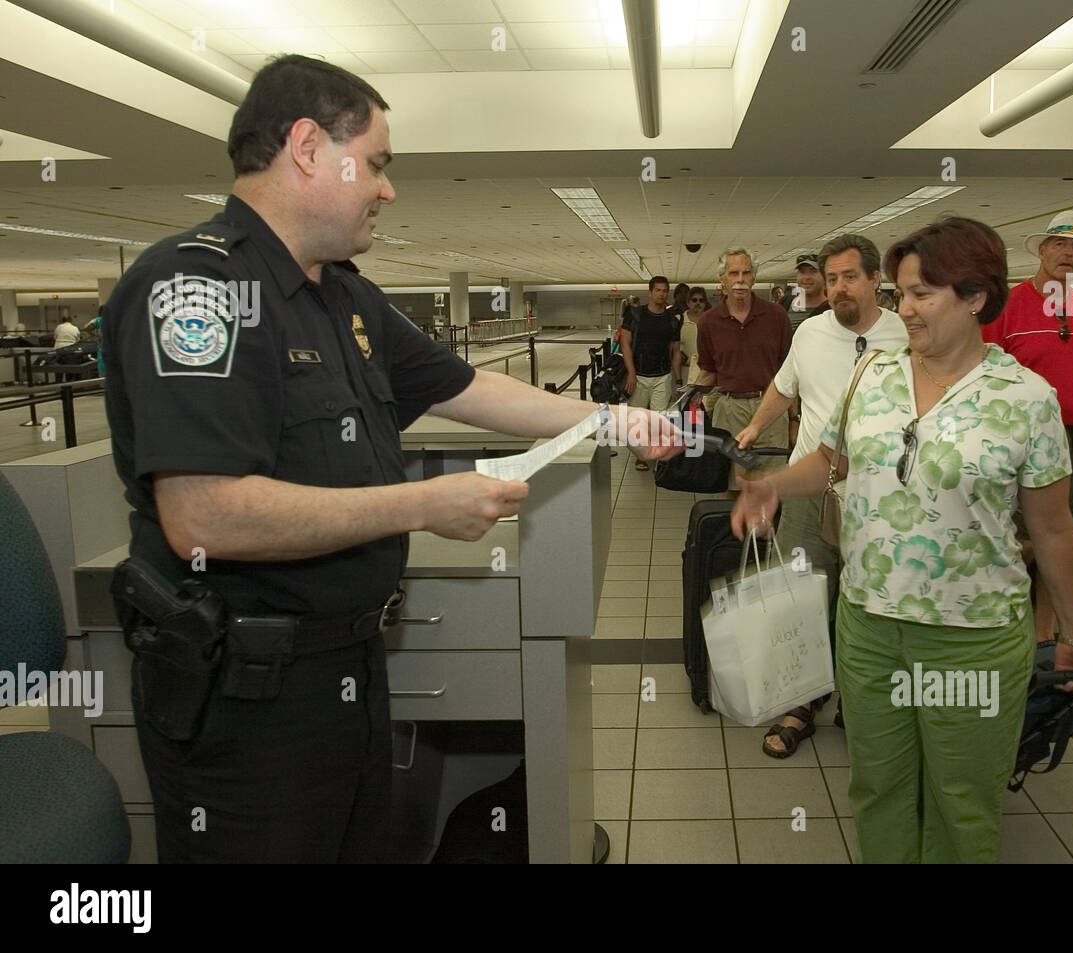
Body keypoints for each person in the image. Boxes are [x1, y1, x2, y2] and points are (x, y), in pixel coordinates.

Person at [100, 54, 679, 864]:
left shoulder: (344, 296)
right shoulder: (197, 289)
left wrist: (614, 421)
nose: (387, 188)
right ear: (308, 147)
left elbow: (469, 387)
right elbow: (204, 511)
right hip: (246, 702)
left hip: (351, 674)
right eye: (375, 163)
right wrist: (421, 505)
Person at [731, 217, 1073, 863]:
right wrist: (774, 484)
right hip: (870, 627)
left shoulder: (1026, 398)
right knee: (880, 787)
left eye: (922, 294)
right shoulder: (874, 373)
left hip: (971, 636)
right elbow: (831, 461)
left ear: (977, 296)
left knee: (961, 796)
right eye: (901, 293)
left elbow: (1051, 527)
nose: (904, 309)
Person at [735, 233, 909, 758]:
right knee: (804, 597)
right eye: (831, 279)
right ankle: (805, 702)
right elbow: (785, 387)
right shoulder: (808, 333)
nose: (839, 289)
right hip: (813, 489)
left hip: (880, 496)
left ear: (877, 280)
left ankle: (859, 701)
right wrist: (755, 428)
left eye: (850, 277)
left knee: (868, 606)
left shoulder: (906, 335)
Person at [982, 209, 1073, 642]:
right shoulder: (1009, 305)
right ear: (1042, 250)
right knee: (1019, 532)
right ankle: (1003, 616)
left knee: (1071, 531)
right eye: (1060, 244)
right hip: (1020, 436)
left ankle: (1045, 629)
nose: (1068, 253)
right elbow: (984, 371)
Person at [695, 248, 793, 485]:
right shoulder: (708, 322)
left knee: (771, 485)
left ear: (754, 278)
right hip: (728, 410)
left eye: (746, 273)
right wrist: (686, 401)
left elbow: (790, 373)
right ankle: (732, 524)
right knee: (731, 483)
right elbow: (709, 371)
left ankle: (765, 524)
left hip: (770, 407)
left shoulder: (776, 316)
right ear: (723, 280)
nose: (740, 280)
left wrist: (795, 419)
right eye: (733, 273)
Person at [619, 276, 682, 470]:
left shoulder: (672, 319)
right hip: (639, 376)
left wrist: (678, 379)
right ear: (650, 291)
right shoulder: (635, 315)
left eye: (665, 291)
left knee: (658, 418)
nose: (662, 294)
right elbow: (625, 344)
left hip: (662, 376)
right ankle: (641, 454)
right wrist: (631, 373)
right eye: (658, 290)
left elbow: (675, 351)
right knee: (637, 420)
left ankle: (651, 455)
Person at [784, 252, 831, 331]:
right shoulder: (786, 303)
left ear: (825, 276)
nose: (806, 277)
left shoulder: (832, 310)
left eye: (813, 271)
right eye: (802, 272)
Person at [678, 285, 708, 391]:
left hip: (706, 373)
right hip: (683, 372)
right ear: (688, 303)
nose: (698, 303)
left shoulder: (711, 322)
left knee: (704, 406)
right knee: (684, 406)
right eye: (694, 300)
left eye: (701, 300)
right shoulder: (678, 320)